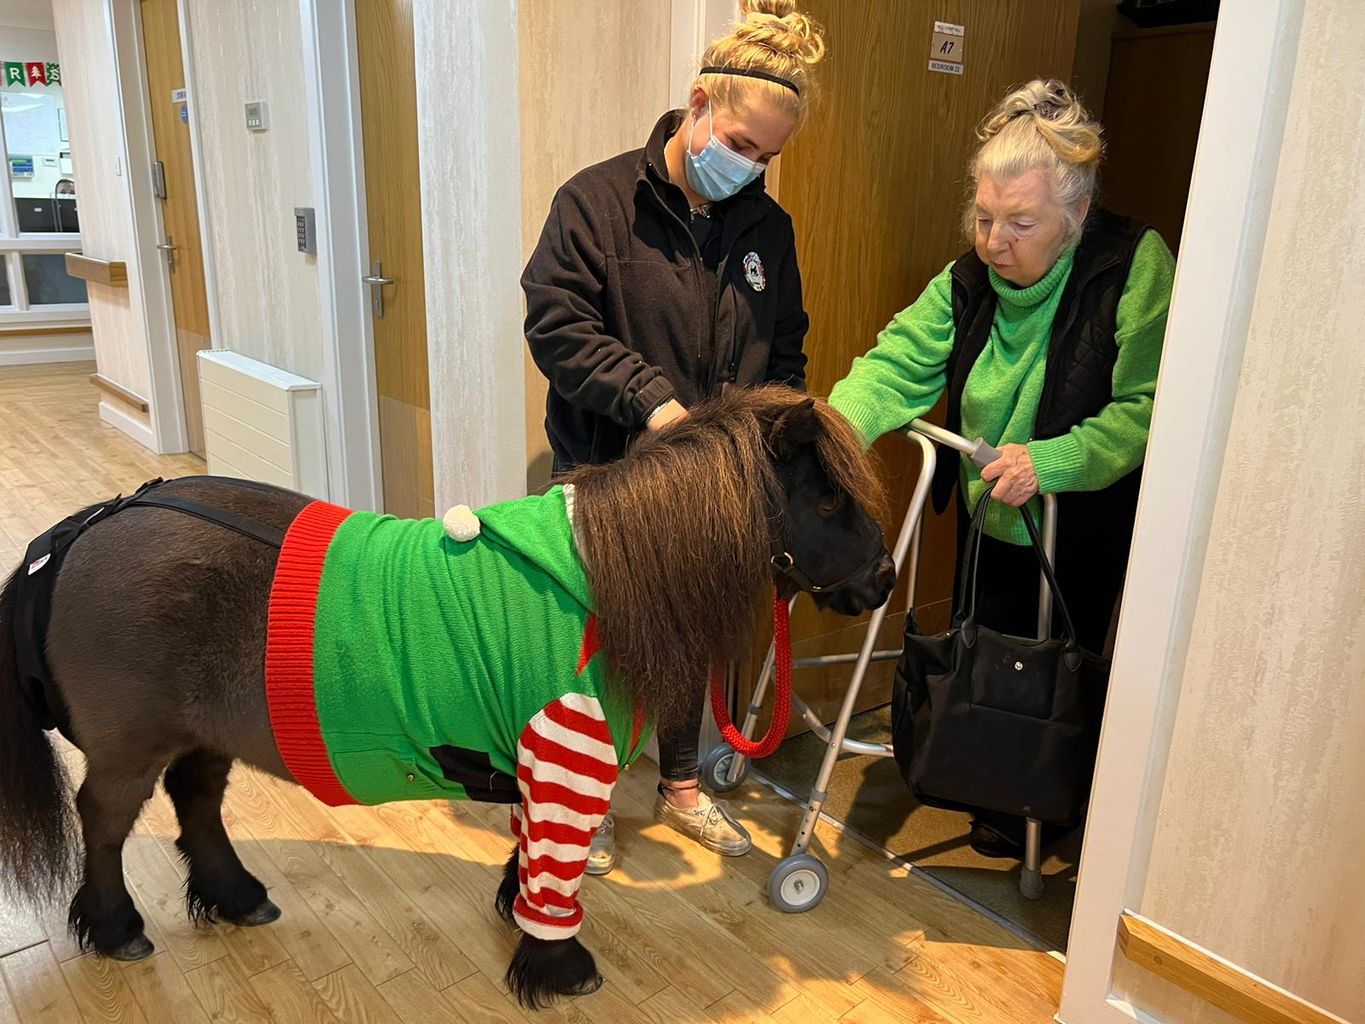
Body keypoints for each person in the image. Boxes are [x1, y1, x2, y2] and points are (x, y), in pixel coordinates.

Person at [828, 79, 1175, 859]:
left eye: (1020, 223)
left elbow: (1147, 405)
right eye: (983, 219)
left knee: (1056, 666)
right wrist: (827, 434)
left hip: (1076, 511)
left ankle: (1043, 806)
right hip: (990, 508)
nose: (993, 242)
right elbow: (895, 364)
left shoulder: (1132, 264)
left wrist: (1051, 460)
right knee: (984, 647)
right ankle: (983, 781)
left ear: (1076, 216)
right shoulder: (966, 278)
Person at [521, 0, 827, 873]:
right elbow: (557, 325)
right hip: (609, 468)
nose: (750, 167)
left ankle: (682, 786)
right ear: (697, 103)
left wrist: (772, 434)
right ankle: (591, 801)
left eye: (767, 156)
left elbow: (788, 341)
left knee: (692, 633)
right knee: (593, 643)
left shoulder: (766, 228)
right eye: (739, 142)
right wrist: (653, 404)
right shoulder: (596, 201)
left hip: (712, 482)